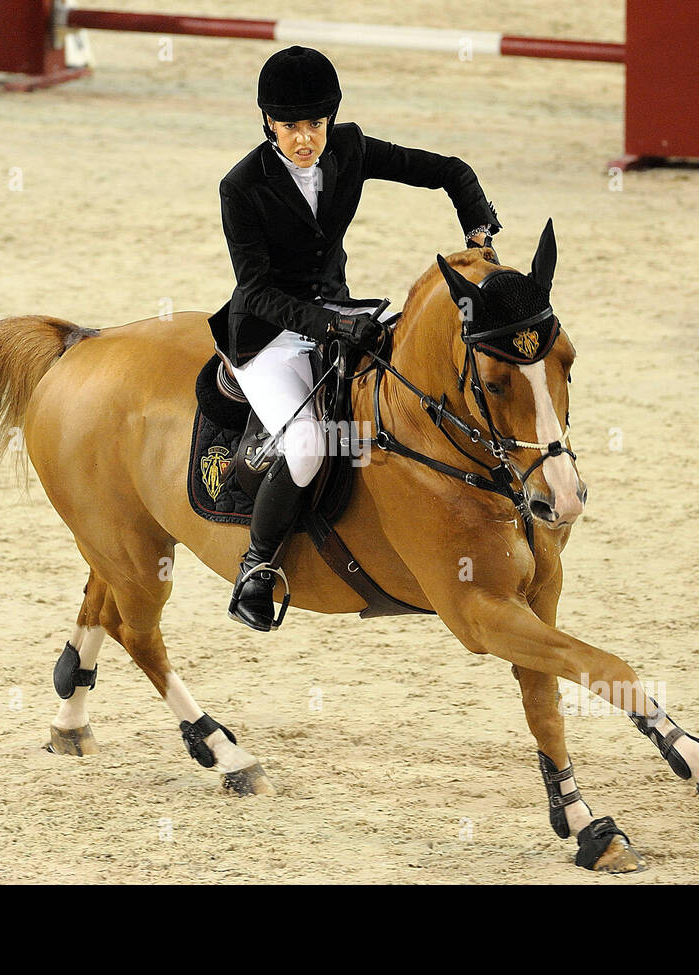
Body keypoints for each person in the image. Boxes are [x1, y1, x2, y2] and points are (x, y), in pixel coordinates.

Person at [209, 45, 502, 631]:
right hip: (265, 335)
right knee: (311, 443)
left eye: (314, 125)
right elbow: (258, 290)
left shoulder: (349, 148)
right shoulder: (240, 186)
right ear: (268, 121)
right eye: (290, 127)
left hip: (340, 311)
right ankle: (257, 566)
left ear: (330, 119)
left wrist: (479, 226)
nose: (304, 140)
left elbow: (448, 171)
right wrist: (334, 325)